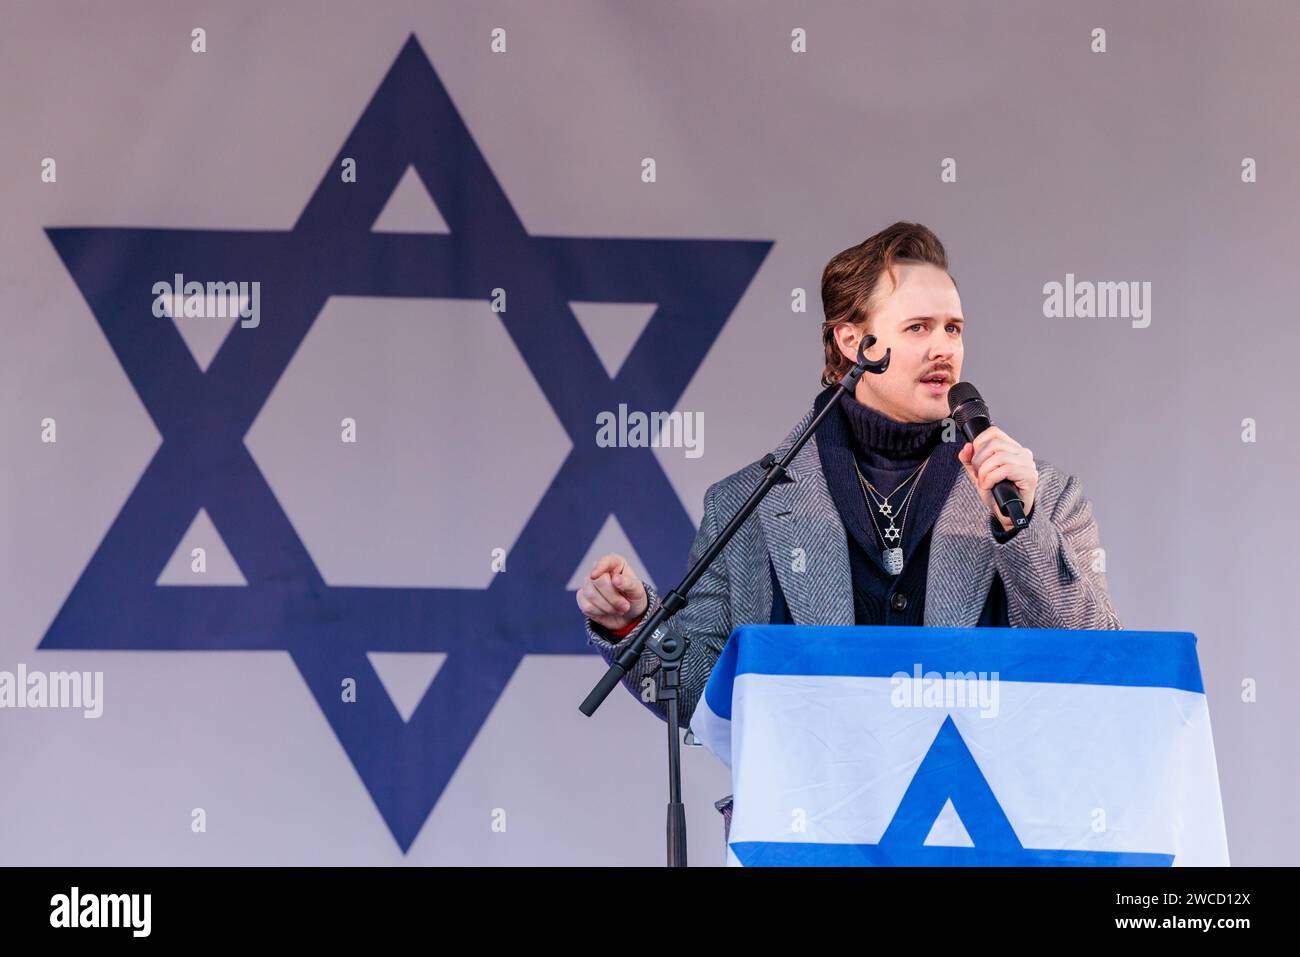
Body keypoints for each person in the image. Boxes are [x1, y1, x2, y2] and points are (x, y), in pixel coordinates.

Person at [576, 221, 1121, 840]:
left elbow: (1097, 668)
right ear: (853, 341)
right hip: (811, 838)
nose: (943, 347)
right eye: (918, 328)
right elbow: (709, 696)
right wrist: (635, 623)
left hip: (986, 839)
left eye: (954, 328)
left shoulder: (1040, 495)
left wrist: (1020, 532)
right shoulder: (749, 505)